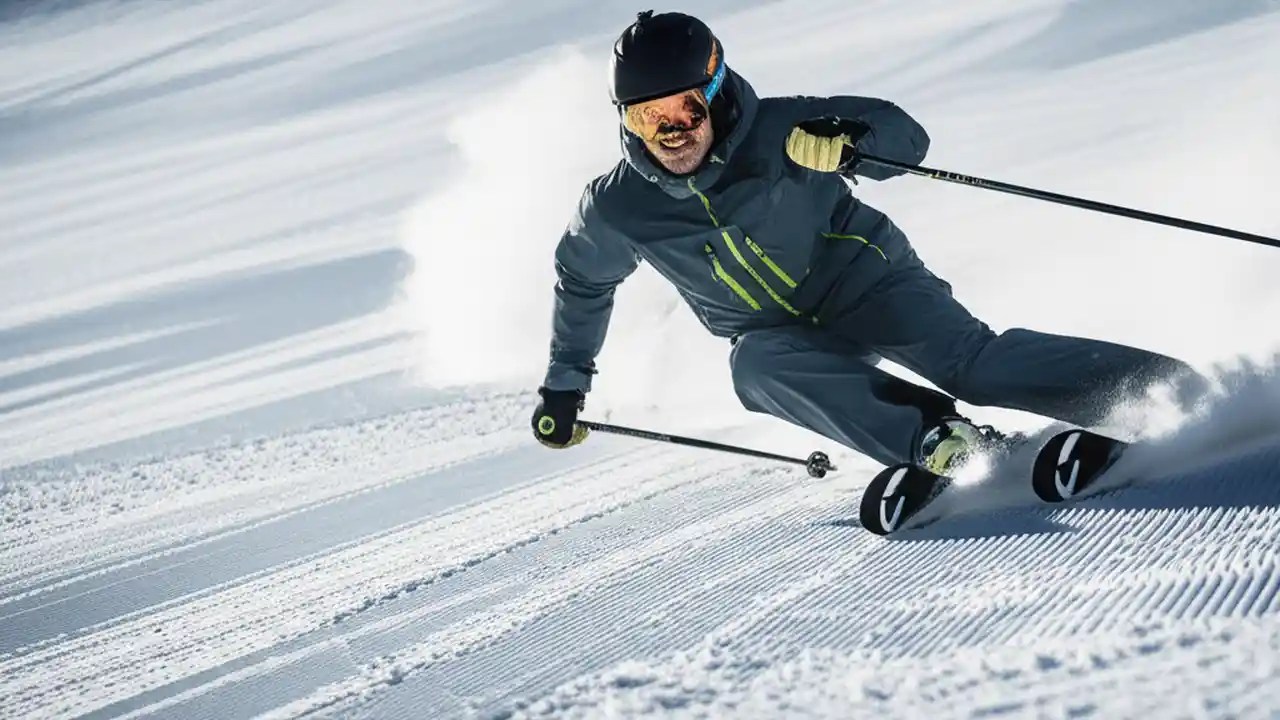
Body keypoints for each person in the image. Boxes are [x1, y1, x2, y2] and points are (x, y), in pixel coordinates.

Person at [530, 10, 1195, 475]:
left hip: (870, 283)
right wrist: (566, 386)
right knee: (754, 370)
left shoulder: (781, 127)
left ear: (716, 93)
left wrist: (854, 146)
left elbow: (904, 134)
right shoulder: (619, 205)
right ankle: (941, 442)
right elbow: (583, 280)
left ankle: (1162, 390)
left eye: (685, 111)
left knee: (976, 367)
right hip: (778, 335)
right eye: (650, 119)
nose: (673, 134)